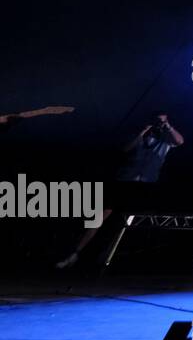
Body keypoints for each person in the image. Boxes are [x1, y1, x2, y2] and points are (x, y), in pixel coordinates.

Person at [56, 113, 184, 269]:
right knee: (99, 216)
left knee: (126, 220)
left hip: (145, 185)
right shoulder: (138, 136)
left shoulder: (165, 140)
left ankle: (108, 257)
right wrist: (143, 130)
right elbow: (126, 148)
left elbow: (179, 141)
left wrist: (167, 125)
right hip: (124, 182)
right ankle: (75, 253)